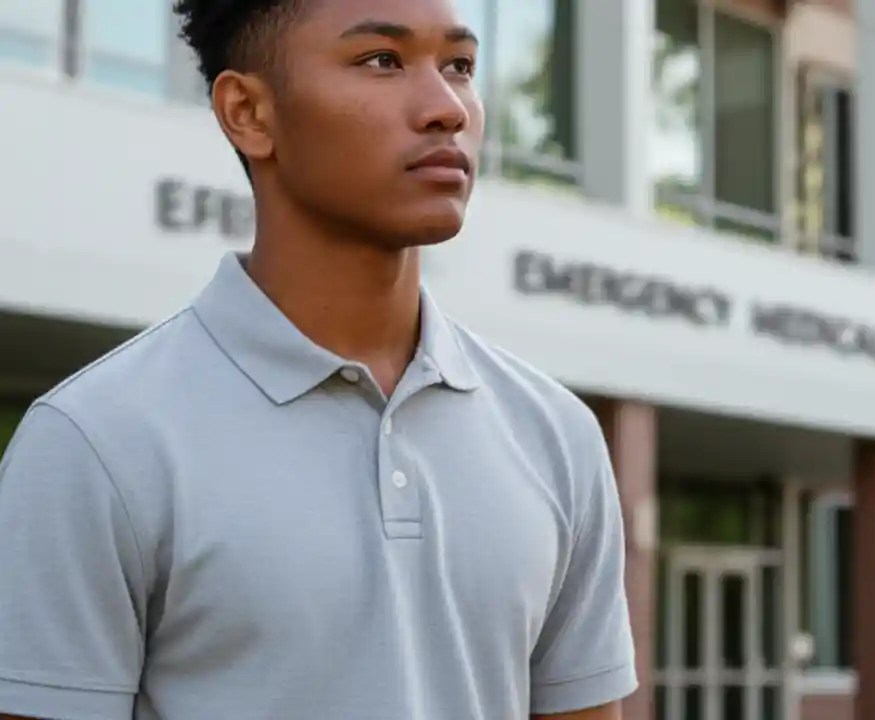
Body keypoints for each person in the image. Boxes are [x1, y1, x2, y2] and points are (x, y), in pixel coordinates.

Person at [0, 1, 636, 718]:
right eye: (382, 61)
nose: (446, 108)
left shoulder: (557, 435)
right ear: (248, 112)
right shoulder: (96, 444)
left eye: (459, 66)